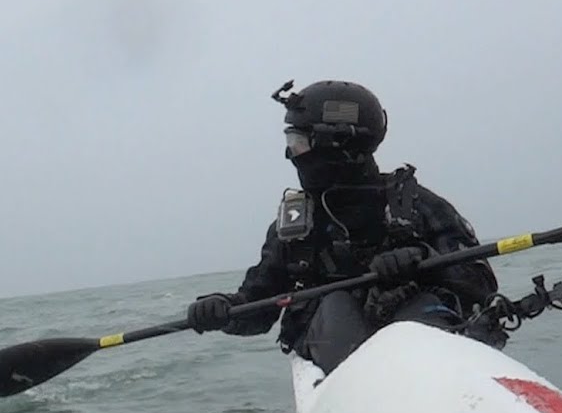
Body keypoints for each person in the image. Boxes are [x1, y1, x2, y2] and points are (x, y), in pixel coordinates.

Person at [185, 79, 500, 374]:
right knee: (336, 307)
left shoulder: (415, 205)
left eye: (298, 142)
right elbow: (258, 308)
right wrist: (224, 310)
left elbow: (481, 281)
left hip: (420, 333)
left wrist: (423, 258)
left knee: (420, 313)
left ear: (336, 144)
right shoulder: (296, 226)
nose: (290, 153)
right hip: (335, 350)